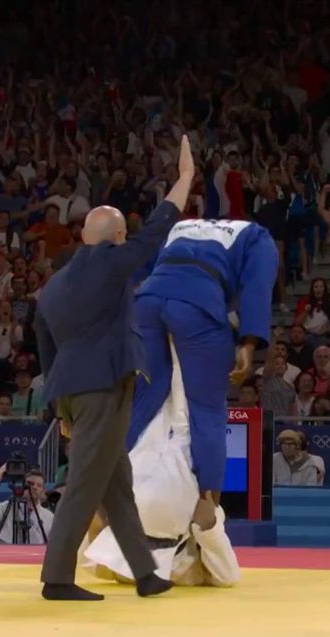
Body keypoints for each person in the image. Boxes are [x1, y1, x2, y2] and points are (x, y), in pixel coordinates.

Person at [31, 136, 195, 601]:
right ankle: (57, 578)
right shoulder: (111, 262)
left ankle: (145, 573)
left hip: (73, 390)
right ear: (116, 237)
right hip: (104, 386)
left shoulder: (53, 286)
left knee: (115, 484)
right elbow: (157, 230)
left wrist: (60, 409)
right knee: (86, 481)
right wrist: (183, 180)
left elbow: (46, 351)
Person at [127, 180, 279, 504]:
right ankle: (208, 505)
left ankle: (107, 488)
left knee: (144, 397)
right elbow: (257, 286)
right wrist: (249, 344)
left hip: (149, 299)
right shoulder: (257, 236)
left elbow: (135, 261)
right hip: (198, 303)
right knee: (207, 408)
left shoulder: (181, 226)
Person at [83, 345, 241, 587]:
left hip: (141, 490)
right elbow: (228, 577)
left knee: (160, 414)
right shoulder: (186, 572)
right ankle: (175, 344)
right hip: (171, 500)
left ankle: (164, 340)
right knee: (175, 418)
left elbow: (96, 526)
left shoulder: (113, 568)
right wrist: (207, 529)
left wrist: (101, 507)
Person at [0, 463, 55, 545]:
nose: (34, 487)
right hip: (8, 555)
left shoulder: (49, 517)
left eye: (39, 485)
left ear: (43, 491)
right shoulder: (7, 507)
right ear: (22, 485)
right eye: (30, 483)